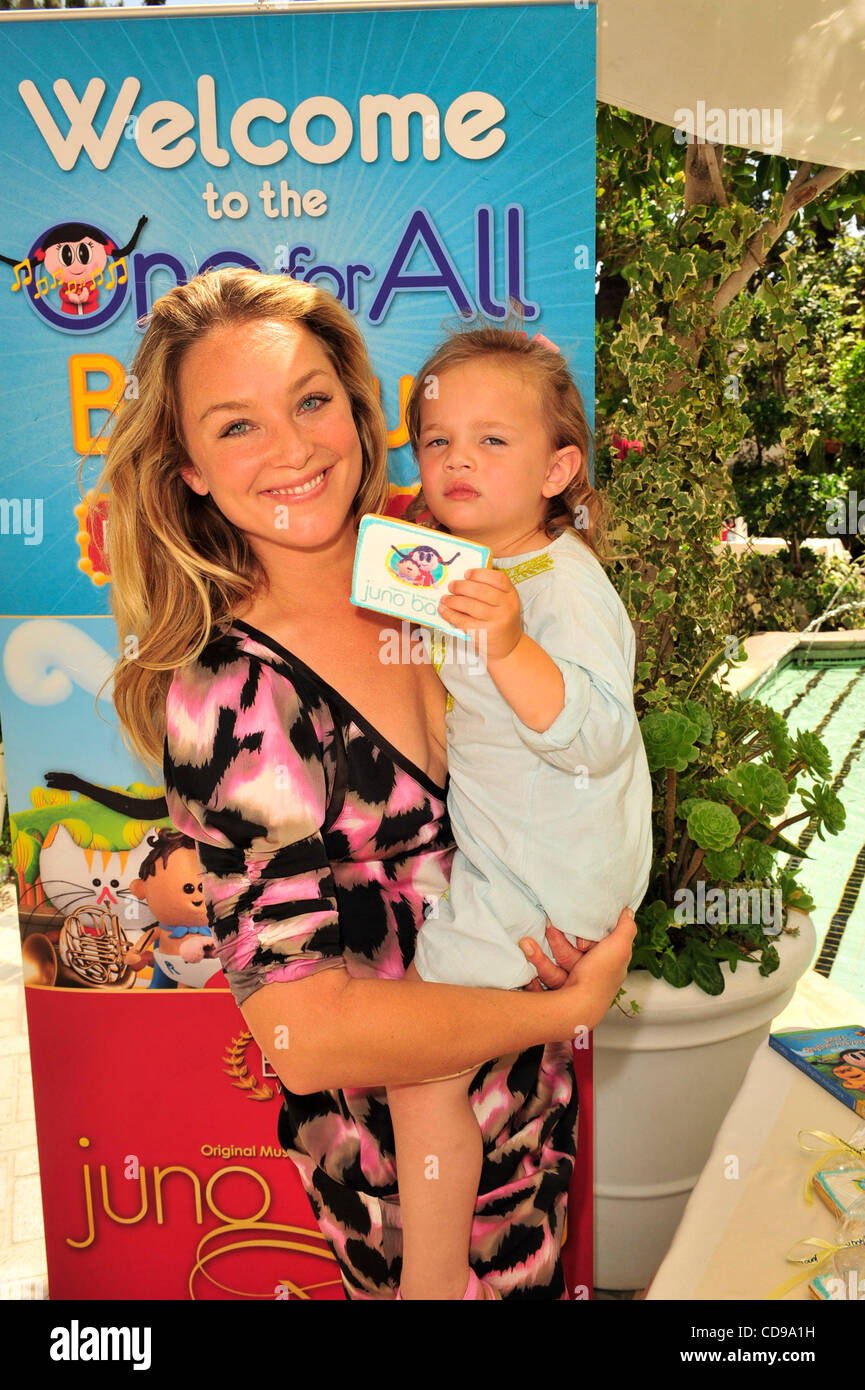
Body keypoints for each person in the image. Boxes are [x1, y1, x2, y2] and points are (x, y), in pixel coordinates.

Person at [98, 267, 637, 1300]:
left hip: (532, 1135)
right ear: (191, 471)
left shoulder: (429, 565)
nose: (295, 448)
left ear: (358, 408)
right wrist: (568, 1004)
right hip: (414, 1213)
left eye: (311, 399)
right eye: (237, 425)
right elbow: (306, 1036)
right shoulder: (231, 696)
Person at [387, 326, 653, 1300]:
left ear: (560, 468)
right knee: (431, 1072)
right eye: (437, 438)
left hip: (544, 881)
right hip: (540, 861)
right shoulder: (481, 565)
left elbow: (592, 737)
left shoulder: (559, 591)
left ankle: (428, 1285)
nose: (457, 458)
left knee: (417, 1068)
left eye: (493, 440)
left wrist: (506, 647)